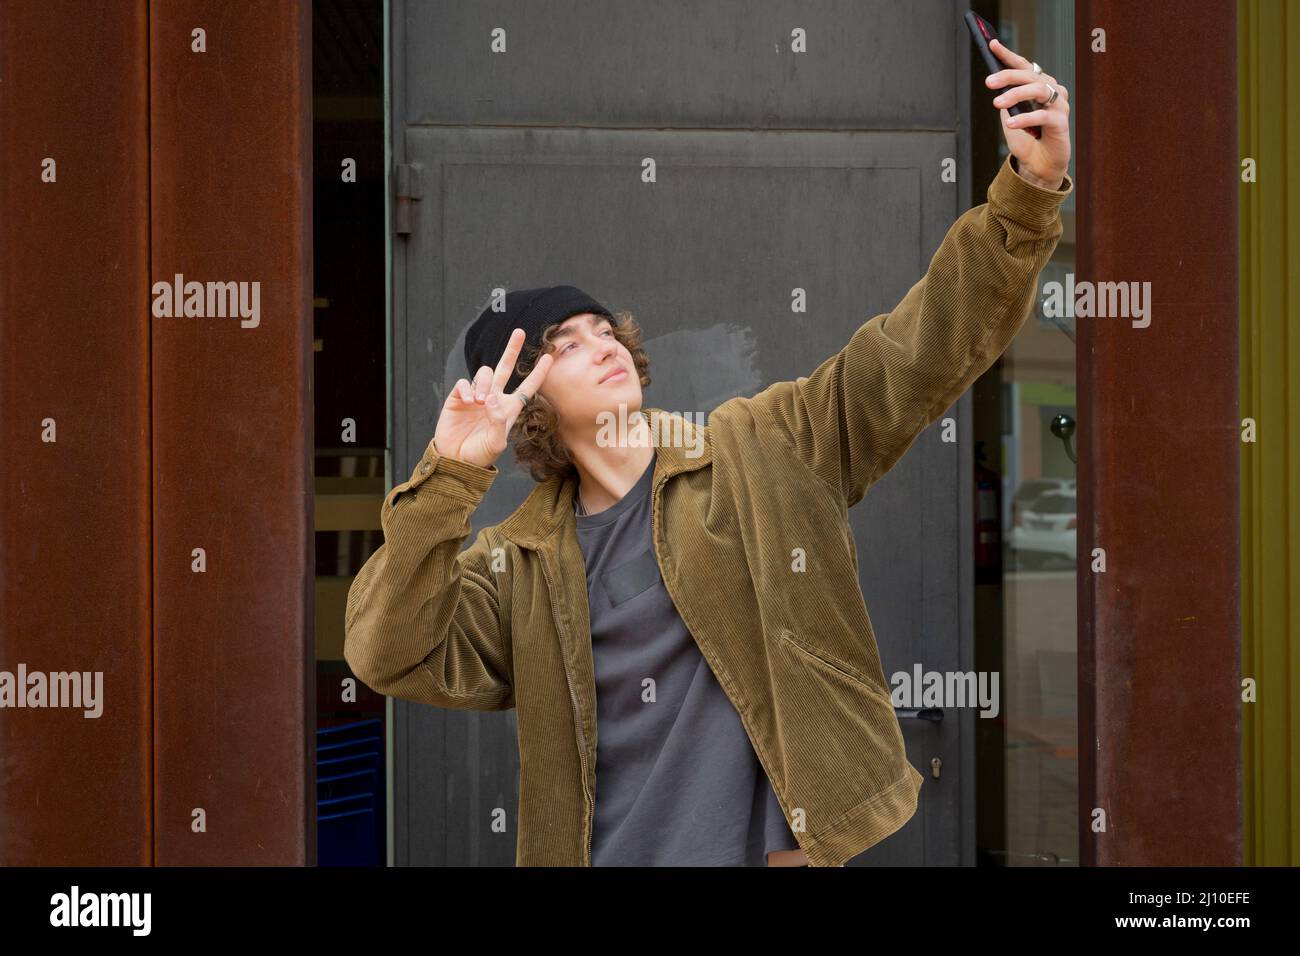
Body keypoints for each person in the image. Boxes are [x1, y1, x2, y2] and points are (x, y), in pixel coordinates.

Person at [344, 38, 1073, 867]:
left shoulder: (768, 444)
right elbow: (384, 651)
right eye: (563, 342)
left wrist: (1029, 194)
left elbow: (921, 351)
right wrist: (450, 476)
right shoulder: (514, 564)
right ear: (525, 397)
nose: (602, 342)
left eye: (602, 327)